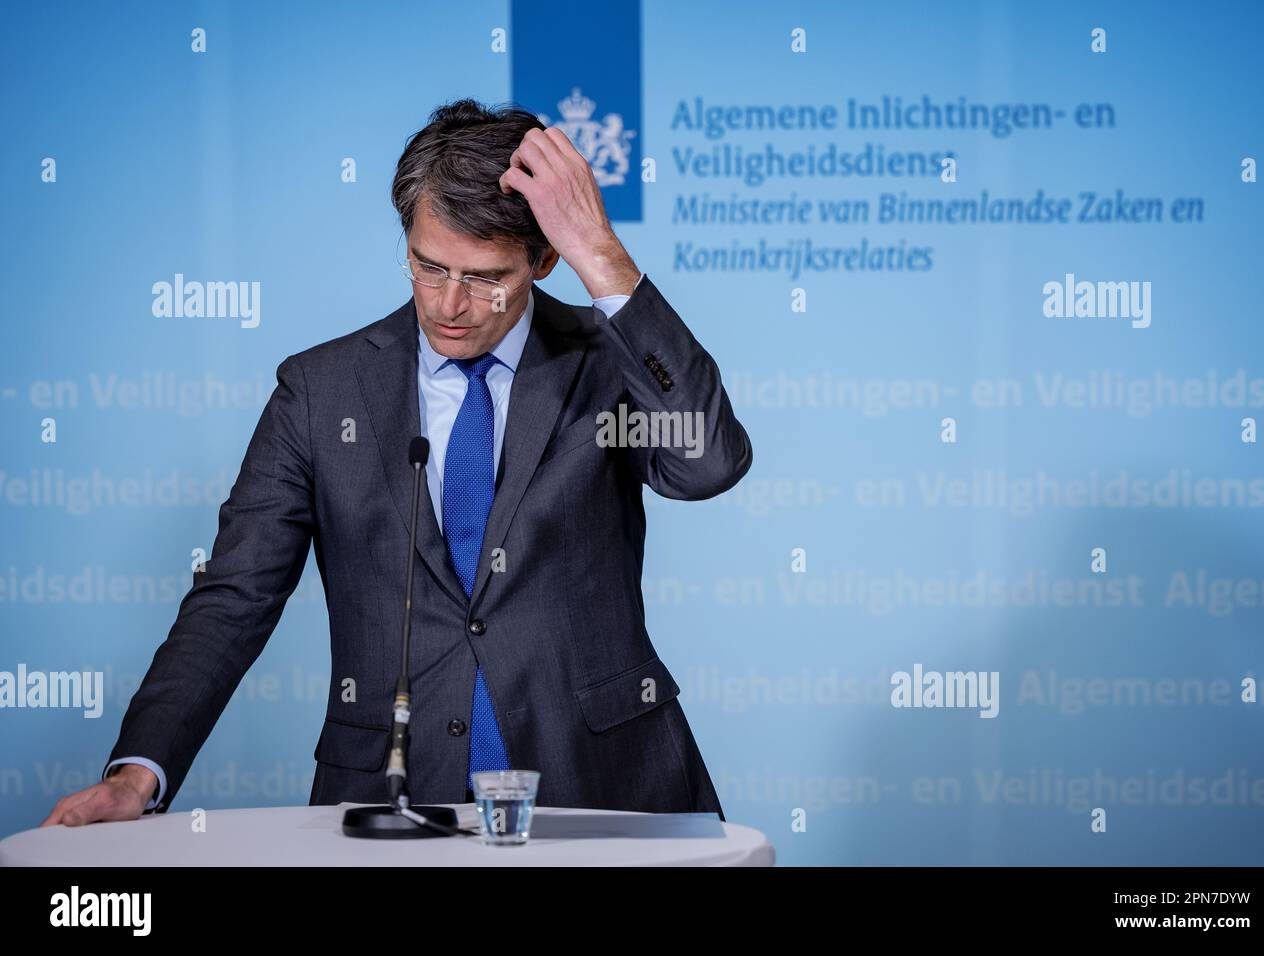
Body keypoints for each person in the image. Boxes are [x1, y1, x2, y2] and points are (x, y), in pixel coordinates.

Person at [41, 98, 752, 828]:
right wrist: (138, 775)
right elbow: (235, 597)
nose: (449, 304)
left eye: (485, 278)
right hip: (392, 797)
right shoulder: (319, 391)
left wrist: (601, 253)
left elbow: (708, 464)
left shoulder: (608, 364)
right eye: (427, 264)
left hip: (605, 785)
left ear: (543, 260)